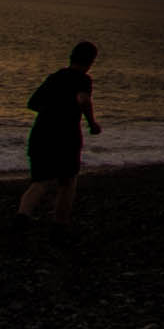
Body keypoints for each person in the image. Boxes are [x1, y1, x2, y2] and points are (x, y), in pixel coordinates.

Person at [16, 41, 101, 228]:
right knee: (68, 180)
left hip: (41, 132)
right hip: (66, 136)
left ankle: (22, 216)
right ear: (91, 61)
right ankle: (61, 223)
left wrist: (52, 109)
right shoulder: (83, 79)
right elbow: (83, 99)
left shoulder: (54, 77)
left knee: (40, 181)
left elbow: (32, 103)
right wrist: (92, 123)